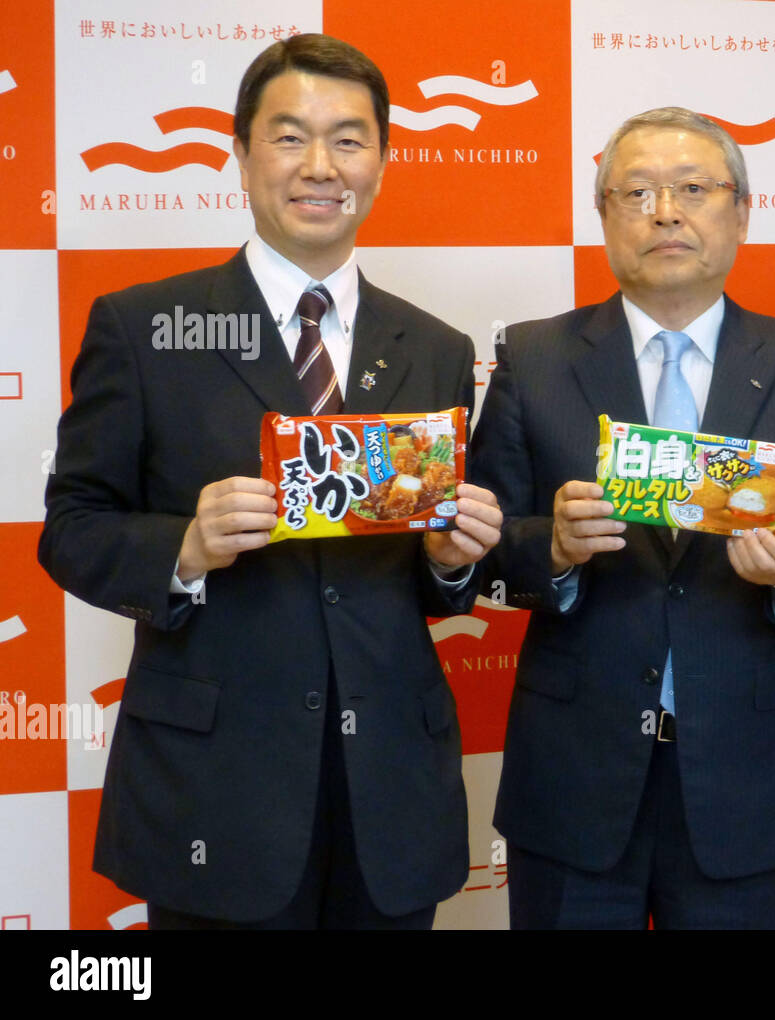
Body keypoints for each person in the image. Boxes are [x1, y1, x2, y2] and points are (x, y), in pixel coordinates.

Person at [38, 34, 502, 929]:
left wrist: (449, 561)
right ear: (241, 154)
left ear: (384, 158)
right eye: (289, 137)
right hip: (217, 788)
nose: (320, 166)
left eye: (349, 139)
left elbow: (438, 584)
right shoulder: (145, 327)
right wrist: (184, 545)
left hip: (390, 791)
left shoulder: (437, 348)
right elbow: (72, 527)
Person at [471, 107, 775, 929]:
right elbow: (476, 543)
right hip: (574, 772)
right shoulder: (533, 357)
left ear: (741, 211)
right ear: (604, 215)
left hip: (744, 776)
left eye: (694, 188)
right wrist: (547, 546)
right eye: (639, 191)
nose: (666, 212)